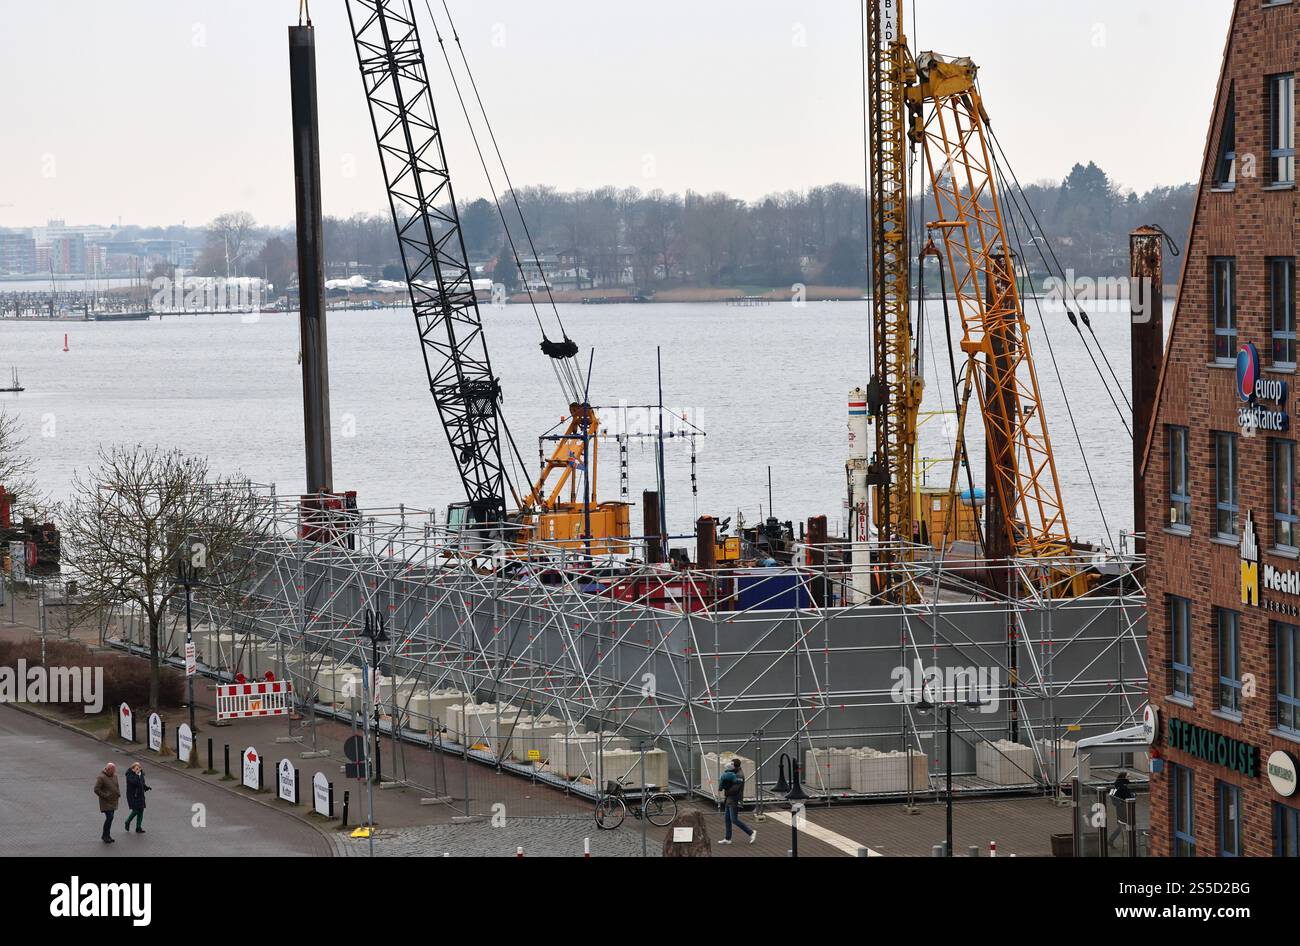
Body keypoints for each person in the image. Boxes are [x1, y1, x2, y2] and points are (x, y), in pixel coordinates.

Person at [717, 758, 756, 845]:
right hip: (729, 799)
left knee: (734, 820)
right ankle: (727, 838)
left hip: (734, 799)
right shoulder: (734, 773)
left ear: (735, 766)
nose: (730, 765)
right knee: (727, 819)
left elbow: (734, 789)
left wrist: (725, 789)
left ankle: (751, 832)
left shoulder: (739, 775)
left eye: (731, 764)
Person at [94, 762, 121, 843]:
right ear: (107, 769)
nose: (114, 772)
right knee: (110, 817)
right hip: (105, 802)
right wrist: (105, 795)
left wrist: (118, 793)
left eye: (114, 770)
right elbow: (96, 789)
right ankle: (105, 836)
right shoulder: (101, 777)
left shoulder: (115, 776)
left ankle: (107, 835)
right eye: (112, 770)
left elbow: (116, 785)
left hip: (114, 801)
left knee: (110, 818)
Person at [1107, 770, 1135, 847]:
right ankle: (1130, 843)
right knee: (1127, 825)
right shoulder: (1123, 787)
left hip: (1120, 808)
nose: (1130, 778)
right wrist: (1133, 795)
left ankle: (1111, 840)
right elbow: (1129, 798)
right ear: (1124, 777)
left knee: (1121, 825)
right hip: (1124, 808)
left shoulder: (1117, 785)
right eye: (1128, 776)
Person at [124, 762, 151, 834]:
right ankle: (127, 821)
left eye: (139, 768)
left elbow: (141, 783)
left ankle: (138, 827)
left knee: (141, 810)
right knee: (135, 810)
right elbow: (135, 782)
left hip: (140, 795)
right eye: (136, 768)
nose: (138, 769)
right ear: (132, 769)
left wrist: (146, 787)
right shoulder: (129, 775)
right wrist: (136, 774)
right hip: (133, 796)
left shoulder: (140, 774)